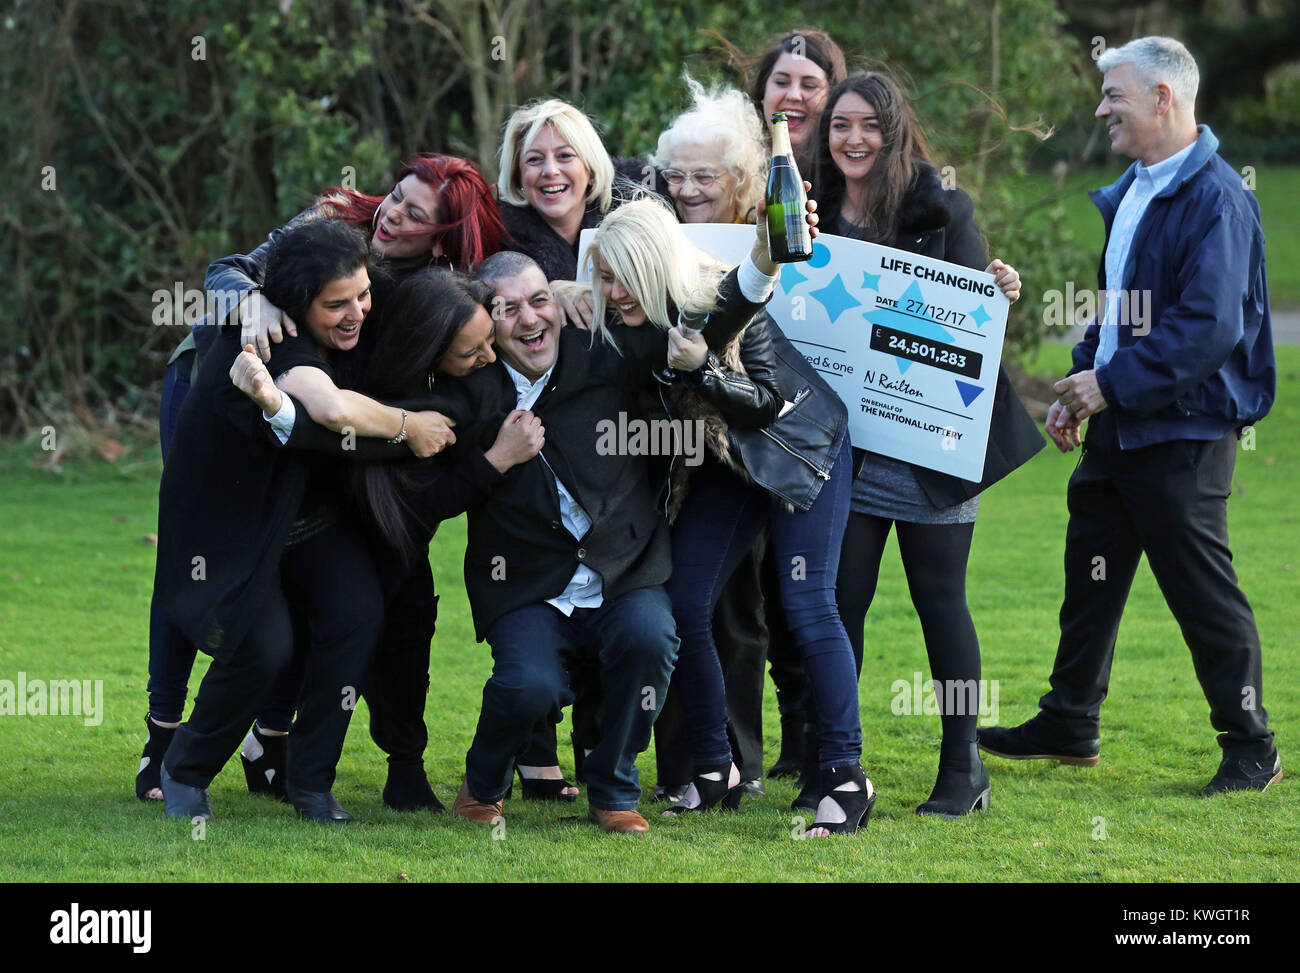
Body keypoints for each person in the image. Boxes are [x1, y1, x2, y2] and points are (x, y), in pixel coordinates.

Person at [137, 155, 502, 807]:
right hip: (238, 511)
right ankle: (181, 764)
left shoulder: (378, 285)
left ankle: (309, 777)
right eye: (339, 304)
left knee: (358, 610)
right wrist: (407, 427)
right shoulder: (275, 327)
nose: (358, 309)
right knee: (265, 640)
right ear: (298, 305)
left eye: (363, 295)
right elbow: (330, 408)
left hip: (307, 504)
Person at [977, 37, 1281, 796]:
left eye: (1113, 93)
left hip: (1184, 431)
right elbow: (1120, 315)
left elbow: (1208, 327)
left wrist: (1109, 386)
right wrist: (1085, 379)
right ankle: (1070, 719)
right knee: (1092, 578)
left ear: (1162, 99)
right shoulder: (1139, 187)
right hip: (1122, 426)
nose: (1100, 106)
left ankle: (1252, 747)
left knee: (1202, 592)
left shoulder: (1218, 198)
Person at [586, 199, 874, 836]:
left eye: (620, 275)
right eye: (602, 277)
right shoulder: (629, 322)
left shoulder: (718, 299)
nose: (611, 292)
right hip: (726, 463)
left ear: (652, 265)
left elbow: (768, 404)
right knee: (684, 600)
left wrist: (704, 369)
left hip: (800, 452)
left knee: (807, 605)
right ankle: (717, 768)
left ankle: (848, 776)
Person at [812, 70, 1040, 817]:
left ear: (894, 130)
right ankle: (834, 761)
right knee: (838, 602)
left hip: (930, 439)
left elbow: (972, 320)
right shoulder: (806, 206)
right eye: (841, 124)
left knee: (940, 600)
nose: (853, 138)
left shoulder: (941, 207)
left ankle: (963, 764)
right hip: (846, 445)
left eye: (869, 125)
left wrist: (996, 287)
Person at [644, 74, 773, 800]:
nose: (688, 187)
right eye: (678, 174)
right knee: (672, 601)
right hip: (657, 454)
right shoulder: (649, 232)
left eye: (706, 175)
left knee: (739, 607)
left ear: (743, 181)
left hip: (746, 455)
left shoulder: (773, 237)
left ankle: (740, 761)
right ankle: (683, 763)